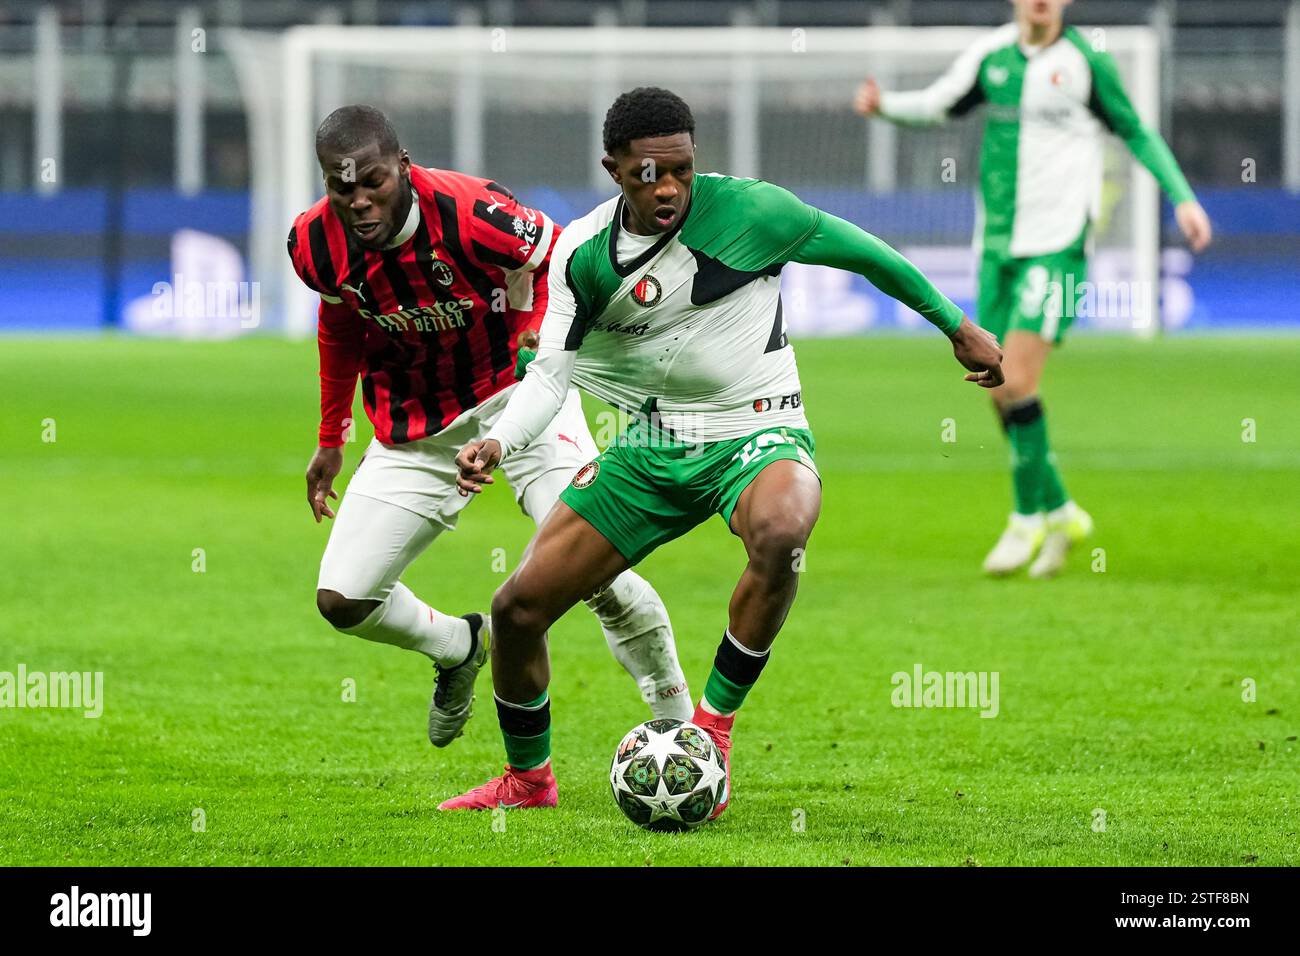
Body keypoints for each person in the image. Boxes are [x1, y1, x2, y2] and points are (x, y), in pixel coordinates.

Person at [439, 87, 1003, 814]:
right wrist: (498, 440)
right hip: (654, 444)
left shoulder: (752, 212)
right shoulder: (581, 256)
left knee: (783, 531)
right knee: (516, 610)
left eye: (681, 169)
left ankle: (713, 729)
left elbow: (865, 252)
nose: (668, 187)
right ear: (613, 168)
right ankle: (528, 781)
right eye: (649, 173)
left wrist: (954, 324)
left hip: (759, 428)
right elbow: (551, 377)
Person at [287, 105, 692, 750]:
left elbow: (564, 254)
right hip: (415, 429)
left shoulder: (472, 212)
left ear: (404, 168)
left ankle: (680, 728)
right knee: (344, 599)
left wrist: (539, 325)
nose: (360, 202)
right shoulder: (311, 242)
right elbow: (339, 328)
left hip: (519, 400)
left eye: (374, 183)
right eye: (343, 189)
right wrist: (331, 437)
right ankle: (458, 646)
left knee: (596, 571)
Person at [855, 0, 1212, 577]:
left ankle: (1025, 518)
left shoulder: (1086, 63)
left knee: (1016, 377)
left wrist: (1183, 197)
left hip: (1059, 243)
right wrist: (884, 107)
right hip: (995, 246)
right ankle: (1062, 509)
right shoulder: (991, 57)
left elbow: (1136, 131)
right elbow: (939, 104)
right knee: (996, 388)